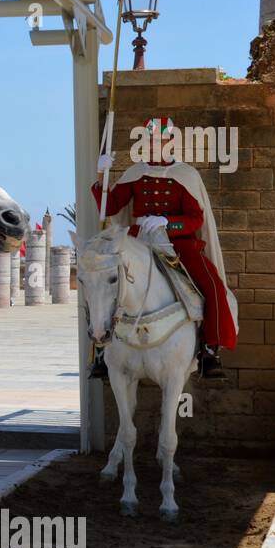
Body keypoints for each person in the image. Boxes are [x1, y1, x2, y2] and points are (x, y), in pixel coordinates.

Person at [91, 115, 237, 380]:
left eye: (158, 139)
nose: (152, 144)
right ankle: (102, 352)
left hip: (178, 245)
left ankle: (209, 349)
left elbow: (196, 219)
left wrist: (168, 223)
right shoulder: (135, 172)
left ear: (171, 141)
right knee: (103, 281)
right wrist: (101, 176)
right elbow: (109, 207)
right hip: (139, 242)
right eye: (148, 139)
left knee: (213, 286)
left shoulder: (186, 174)